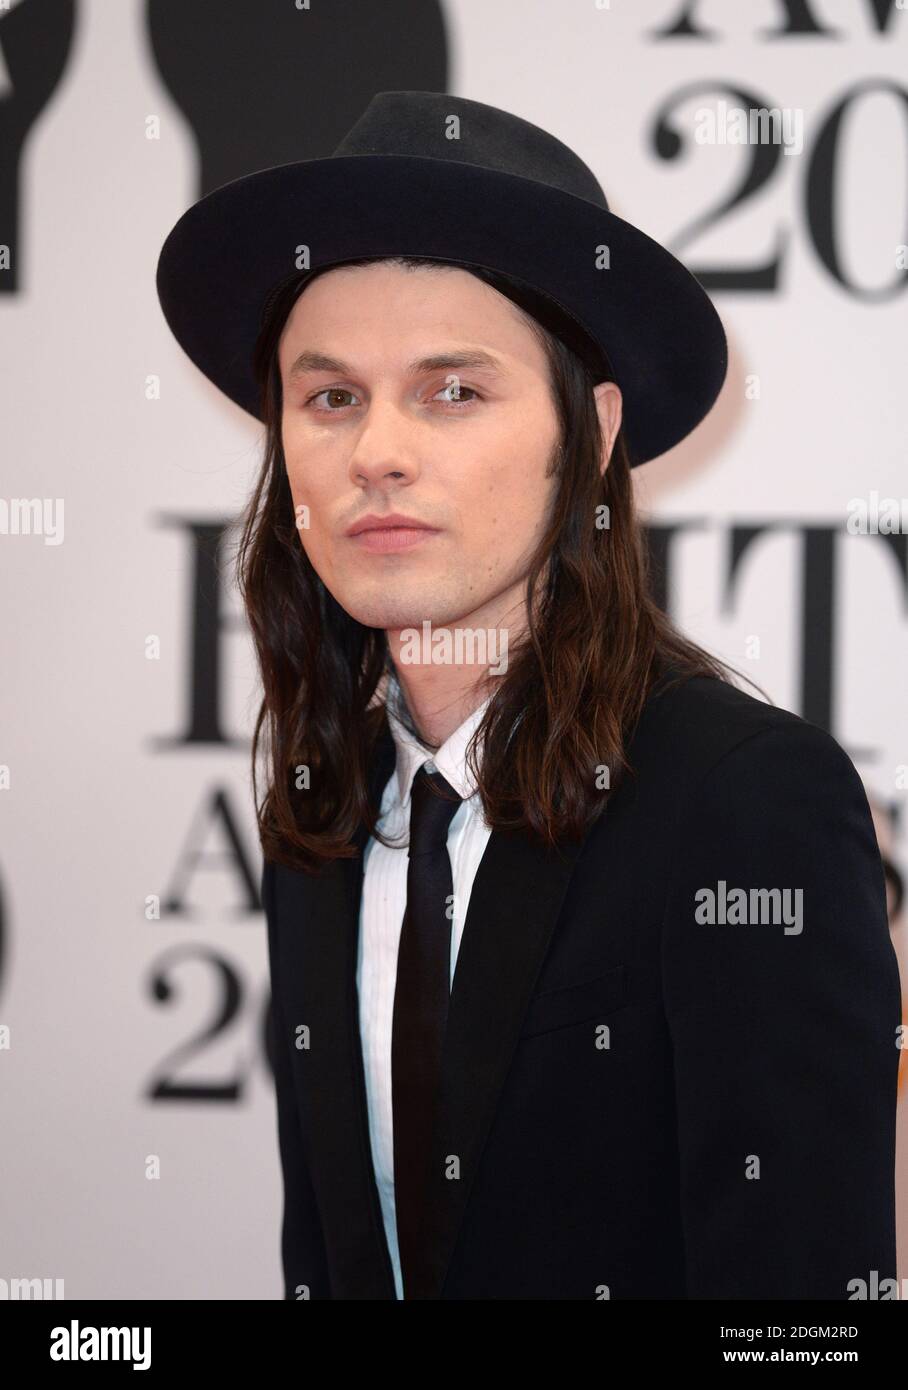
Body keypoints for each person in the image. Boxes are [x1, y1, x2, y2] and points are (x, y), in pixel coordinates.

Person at [156, 91, 901, 1300]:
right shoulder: (321, 802)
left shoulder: (744, 800)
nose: (377, 450)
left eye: (453, 389)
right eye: (330, 394)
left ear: (592, 433)